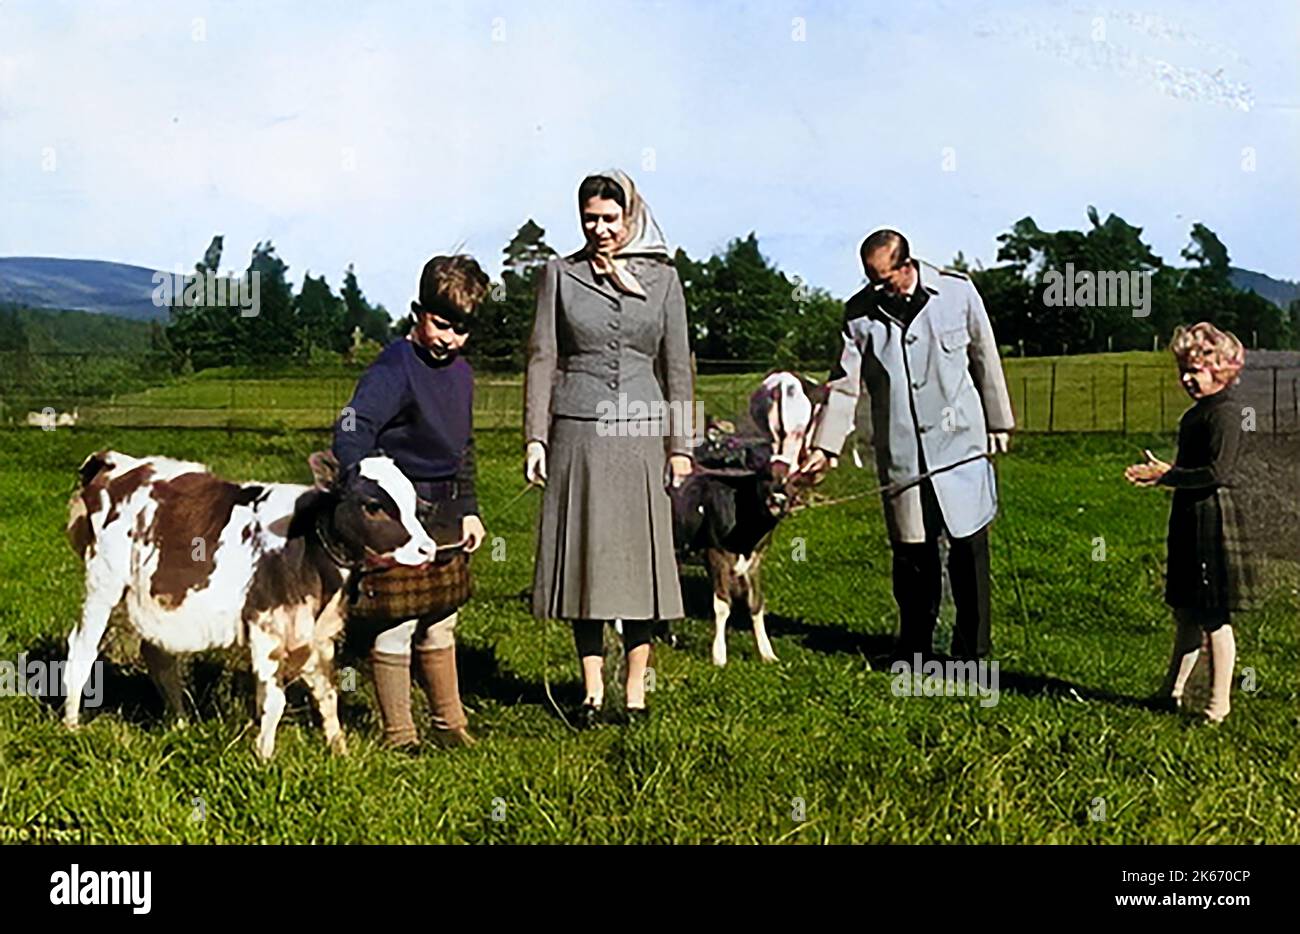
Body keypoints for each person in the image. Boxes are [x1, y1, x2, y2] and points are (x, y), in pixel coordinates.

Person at [524, 169, 694, 726]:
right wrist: (535, 437)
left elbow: (677, 367)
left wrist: (680, 446)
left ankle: (637, 687)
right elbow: (543, 358)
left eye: (609, 219)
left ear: (630, 217)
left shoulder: (665, 279)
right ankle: (592, 690)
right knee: (588, 560)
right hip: (580, 430)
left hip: (642, 430)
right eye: (589, 219)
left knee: (639, 563)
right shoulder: (560, 274)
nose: (600, 229)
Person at [800, 229, 1015, 660]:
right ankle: (915, 648)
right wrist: (825, 447)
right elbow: (845, 388)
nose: (876, 287)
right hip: (901, 454)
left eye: (883, 278)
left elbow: (985, 358)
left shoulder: (958, 293)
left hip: (960, 446)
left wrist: (999, 422)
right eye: (869, 278)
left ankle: (972, 652)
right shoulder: (858, 315)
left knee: (969, 549)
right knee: (913, 555)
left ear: (906, 265)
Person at [333, 254, 490, 748]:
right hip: (401, 515)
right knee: (395, 623)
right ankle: (399, 733)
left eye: (461, 330)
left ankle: (449, 725)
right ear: (417, 311)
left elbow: (463, 447)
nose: (449, 338)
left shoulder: (462, 374)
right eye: (441, 324)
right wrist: (365, 485)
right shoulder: (393, 367)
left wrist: (469, 508)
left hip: (444, 513)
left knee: (442, 619)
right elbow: (352, 427)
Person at [1125, 321, 1256, 723]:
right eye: (1183, 370)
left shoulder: (1227, 414)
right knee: (1186, 612)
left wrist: (1167, 475)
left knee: (1214, 616)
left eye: (1195, 371)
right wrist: (1168, 475)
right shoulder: (1196, 414)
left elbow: (1218, 471)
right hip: (1188, 519)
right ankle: (1172, 692)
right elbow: (1190, 468)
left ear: (1222, 370)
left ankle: (1218, 706)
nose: (1186, 379)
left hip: (1212, 521)